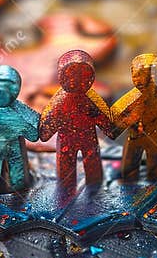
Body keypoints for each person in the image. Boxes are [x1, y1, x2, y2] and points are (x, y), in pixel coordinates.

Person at [39, 50, 114, 189]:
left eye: (82, 76)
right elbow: (49, 121)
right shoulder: (61, 101)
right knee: (66, 166)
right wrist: (110, 130)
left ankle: (92, 183)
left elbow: (102, 116)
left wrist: (109, 129)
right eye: (72, 76)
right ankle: (69, 185)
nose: (77, 81)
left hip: (88, 138)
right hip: (67, 139)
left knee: (92, 165)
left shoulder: (90, 98)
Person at [110, 54, 157, 180]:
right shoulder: (133, 99)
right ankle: (130, 177)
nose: (149, 82)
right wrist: (113, 130)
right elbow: (120, 114)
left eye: (154, 77)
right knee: (131, 160)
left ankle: (154, 176)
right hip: (135, 136)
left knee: (156, 161)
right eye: (144, 77)